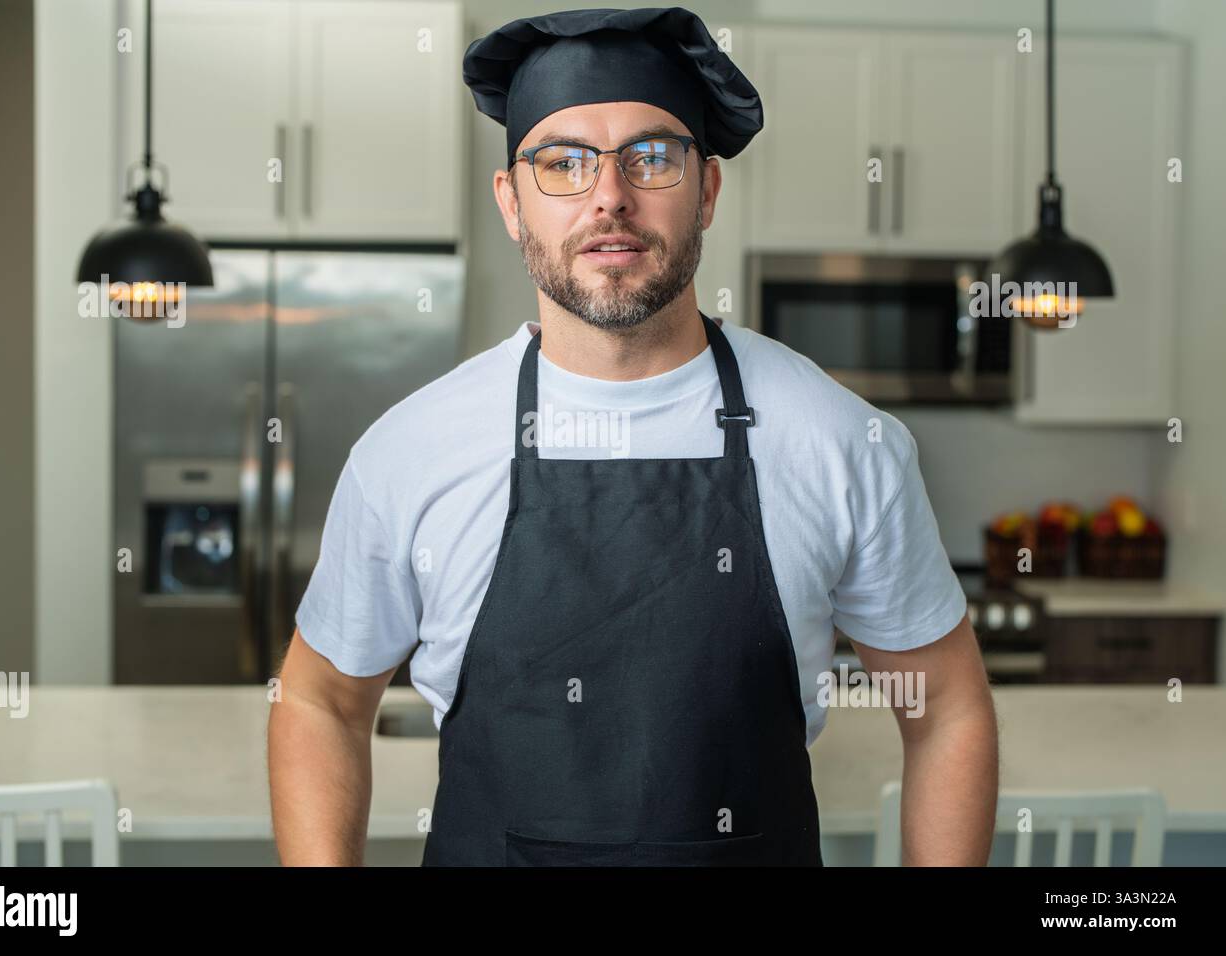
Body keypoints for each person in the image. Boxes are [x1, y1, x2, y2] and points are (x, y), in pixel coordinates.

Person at [268, 6, 998, 867]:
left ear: (709, 190)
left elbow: (947, 708)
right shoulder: (413, 450)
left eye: (651, 157)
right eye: (563, 163)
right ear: (512, 202)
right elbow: (318, 701)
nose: (609, 196)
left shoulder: (838, 440)